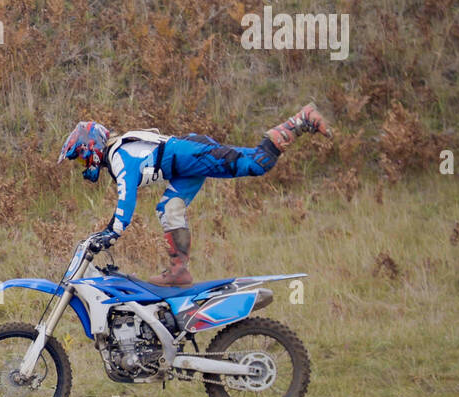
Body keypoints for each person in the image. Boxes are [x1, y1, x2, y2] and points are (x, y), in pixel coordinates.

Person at [58, 104, 333, 286]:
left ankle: (300, 120)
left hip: (191, 155)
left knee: (258, 163)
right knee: (168, 208)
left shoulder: (118, 156)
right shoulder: (118, 151)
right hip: (182, 165)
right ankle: (179, 270)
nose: (84, 165)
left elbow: (126, 197)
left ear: (90, 147)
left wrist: (112, 232)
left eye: (81, 158)